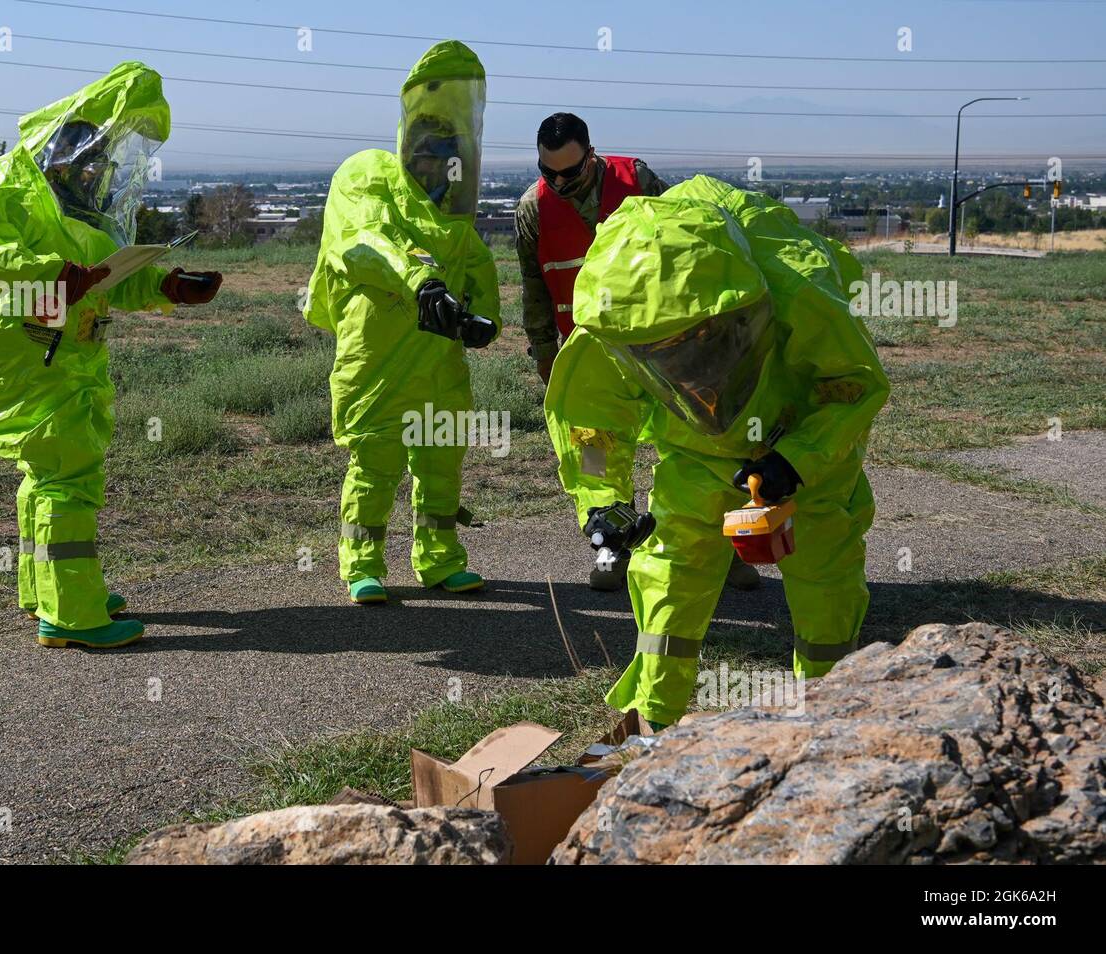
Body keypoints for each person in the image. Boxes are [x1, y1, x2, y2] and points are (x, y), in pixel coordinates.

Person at [544, 175, 889, 729]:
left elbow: (850, 387)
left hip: (799, 442)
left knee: (825, 577)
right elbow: (592, 428)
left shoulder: (800, 288)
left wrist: (796, 458)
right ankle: (653, 727)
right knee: (671, 580)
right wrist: (602, 501)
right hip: (694, 455)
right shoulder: (617, 317)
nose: (693, 376)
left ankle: (829, 722)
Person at [0, 62, 222, 649]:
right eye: (91, 161)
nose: (98, 173)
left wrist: (169, 285)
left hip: (66, 355)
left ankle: (42, 588)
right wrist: (51, 275)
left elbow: (107, 277)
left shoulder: (78, 211)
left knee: (43, 473)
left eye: (104, 164)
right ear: (61, 154)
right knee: (68, 477)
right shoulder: (6, 190)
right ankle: (74, 614)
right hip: (30, 354)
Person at [516, 112, 759, 593]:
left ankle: (715, 553)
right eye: (550, 173)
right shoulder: (533, 208)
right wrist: (545, 352)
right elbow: (533, 287)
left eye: (571, 171)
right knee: (594, 453)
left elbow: (692, 241)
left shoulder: (637, 179)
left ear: (592, 153)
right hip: (593, 354)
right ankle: (611, 548)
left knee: (695, 445)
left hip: (666, 346)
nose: (560, 182)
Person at [305, 40, 500, 605]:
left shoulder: (451, 210)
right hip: (380, 352)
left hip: (438, 357)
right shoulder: (368, 178)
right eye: (426, 153)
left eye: (445, 154)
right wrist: (420, 283)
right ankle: (361, 563)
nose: (434, 165)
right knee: (377, 458)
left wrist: (484, 318)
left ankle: (439, 558)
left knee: (442, 457)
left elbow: (475, 262)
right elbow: (360, 245)